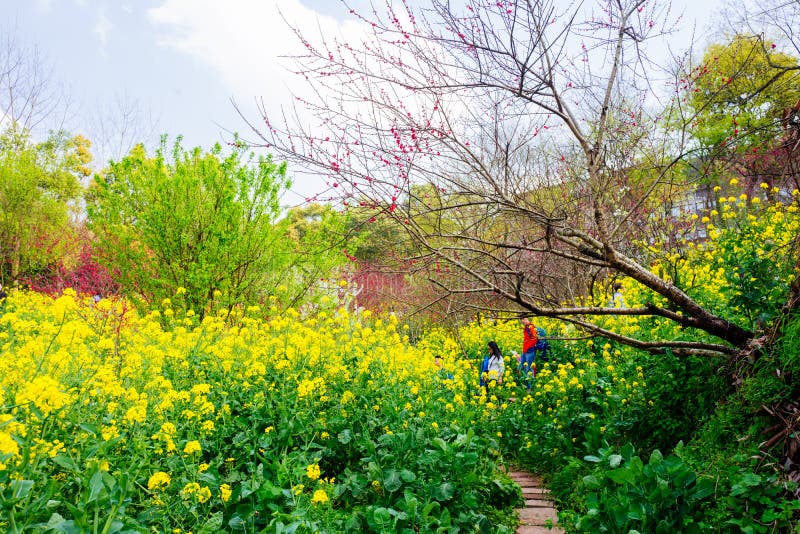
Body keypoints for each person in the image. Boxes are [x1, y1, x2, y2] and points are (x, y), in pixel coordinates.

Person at [519, 318, 538, 388]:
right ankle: (524, 385)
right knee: (521, 367)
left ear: (526, 319)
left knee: (529, 369)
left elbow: (534, 339)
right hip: (524, 351)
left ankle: (530, 387)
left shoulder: (531, 327)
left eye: (522, 320)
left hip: (529, 351)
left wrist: (528, 347)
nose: (522, 322)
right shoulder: (526, 327)